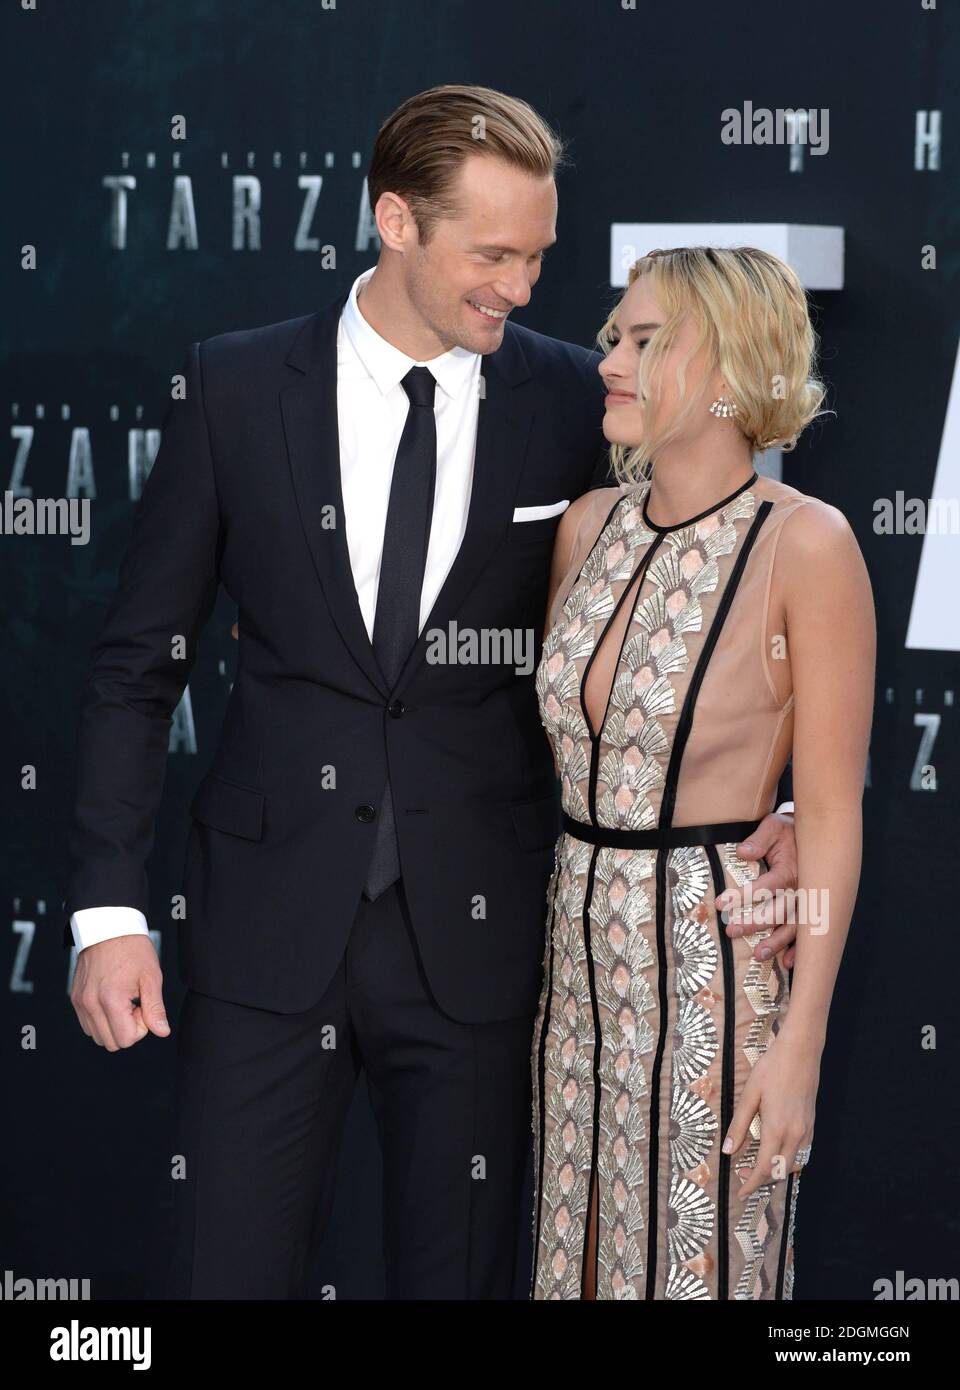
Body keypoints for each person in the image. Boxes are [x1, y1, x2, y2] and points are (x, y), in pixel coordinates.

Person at [63, 86, 801, 1300]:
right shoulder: (236, 390)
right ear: (396, 222)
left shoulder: (578, 397)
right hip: (262, 929)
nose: (520, 285)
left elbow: (745, 571)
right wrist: (104, 911)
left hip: (485, 939)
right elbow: (138, 665)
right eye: (493, 254)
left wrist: (791, 806)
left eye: (539, 256)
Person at [530, 245, 875, 1300]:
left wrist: (799, 1044)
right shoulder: (587, 526)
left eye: (645, 341)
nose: (609, 361)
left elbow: (830, 814)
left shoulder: (806, 545)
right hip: (574, 986)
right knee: (576, 1271)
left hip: (716, 990)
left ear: (731, 370)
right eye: (615, 338)